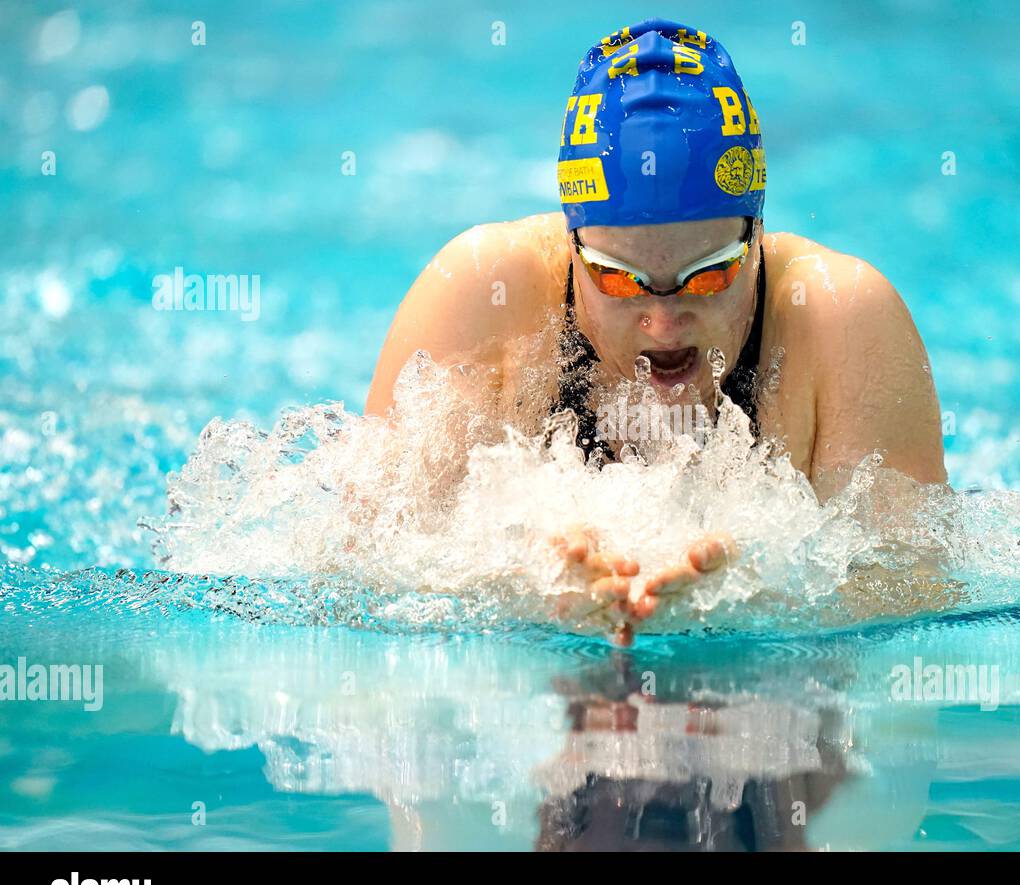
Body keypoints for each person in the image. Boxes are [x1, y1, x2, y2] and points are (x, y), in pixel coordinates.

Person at [366, 19, 946, 640]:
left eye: (707, 276)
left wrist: (759, 604)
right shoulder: (481, 294)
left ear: (755, 237)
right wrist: (531, 593)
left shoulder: (842, 318)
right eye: (618, 279)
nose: (663, 321)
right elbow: (359, 569)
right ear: (573, 244)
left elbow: (918, 600)